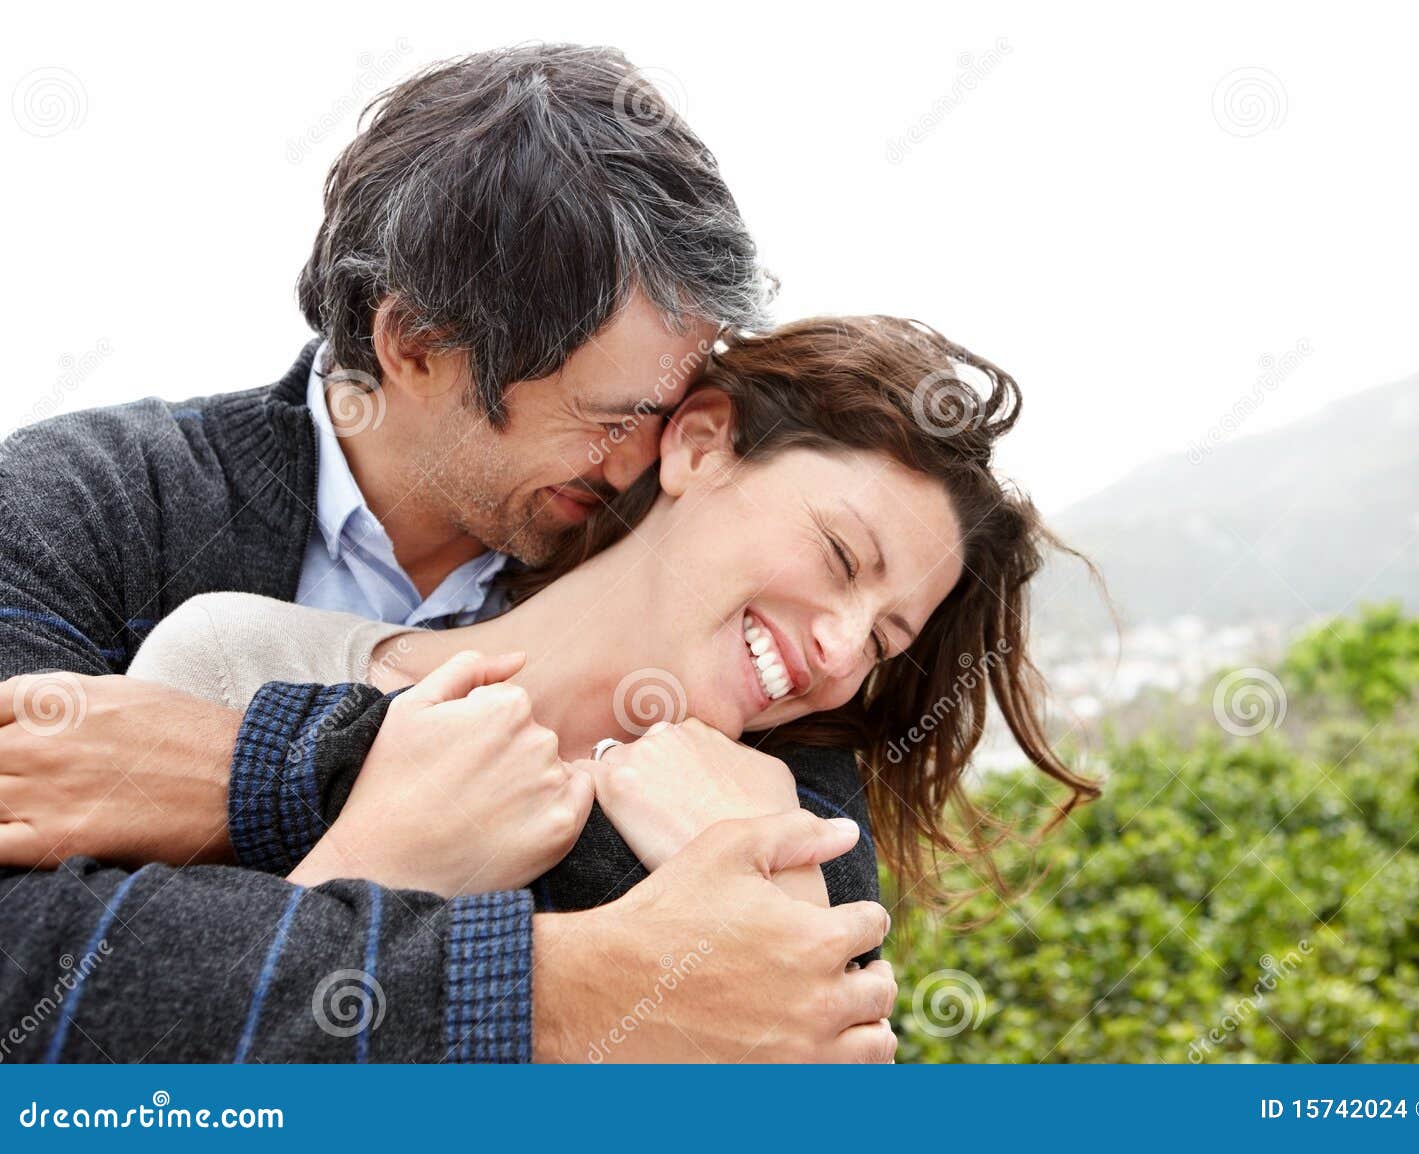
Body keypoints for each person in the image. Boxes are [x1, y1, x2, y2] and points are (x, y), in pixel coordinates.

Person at [0, 43, 896, 1063]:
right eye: (609, 416)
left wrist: (252, 775)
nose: (639, 459)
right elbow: (25, 970)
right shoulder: (87, 500)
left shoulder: (711, 601)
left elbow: (810, 1000)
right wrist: (563, 992)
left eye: (668, 405)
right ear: (416, 344)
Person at [111, 317, 1102, 922]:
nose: (840, 651)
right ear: (701, 445)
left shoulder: (796, 832)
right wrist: (383, 860)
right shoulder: (237, 661)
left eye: (884, 641)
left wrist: (773, 901)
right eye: (842, 556)